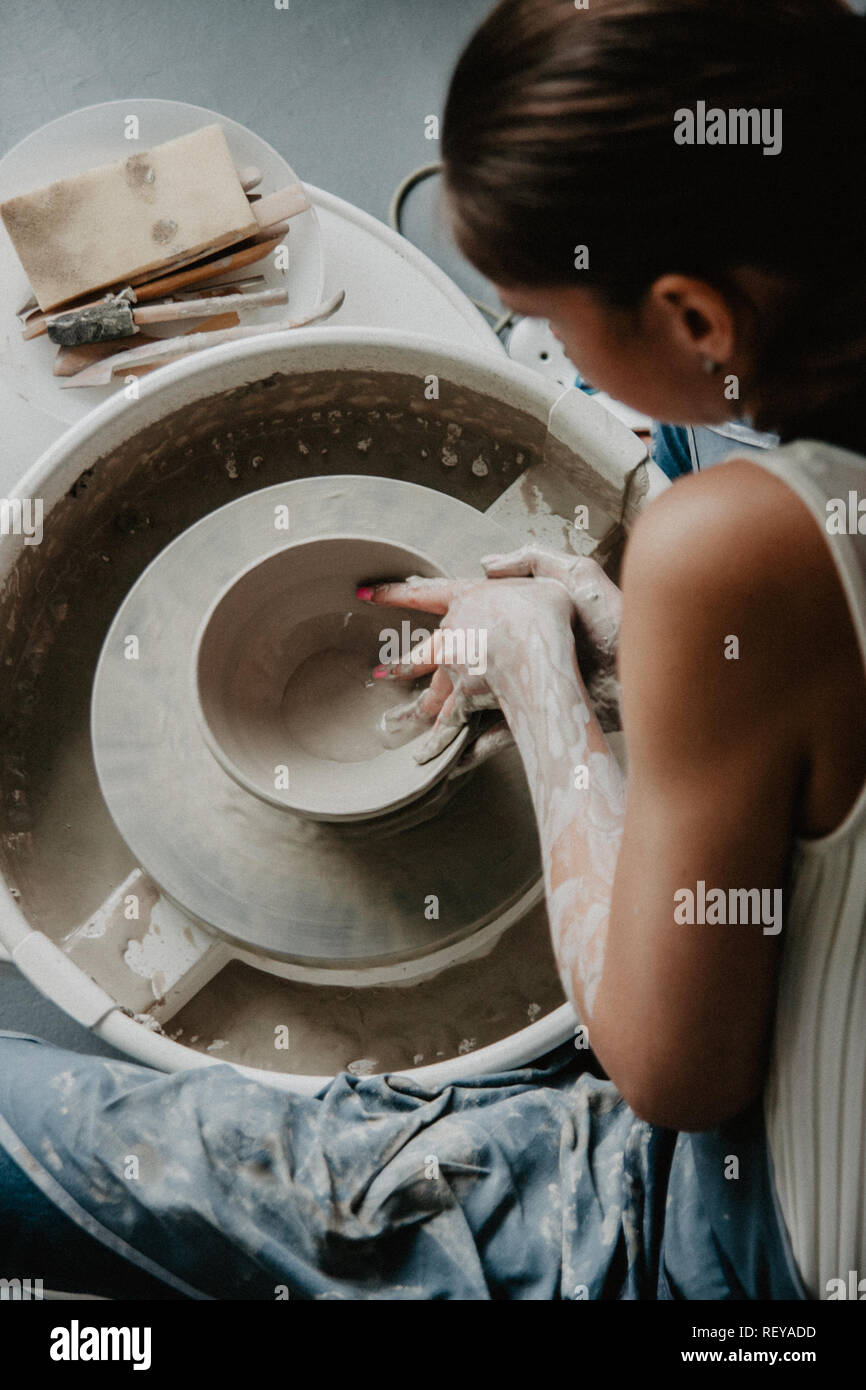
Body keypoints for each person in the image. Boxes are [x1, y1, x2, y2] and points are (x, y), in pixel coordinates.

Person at [1, 0, 864, 1300]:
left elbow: (678, 1076)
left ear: (693, 316)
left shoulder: (729, 539)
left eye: (543, 321)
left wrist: (545, 686)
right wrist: (660, 654)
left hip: (774, 1239)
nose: (545, 354)